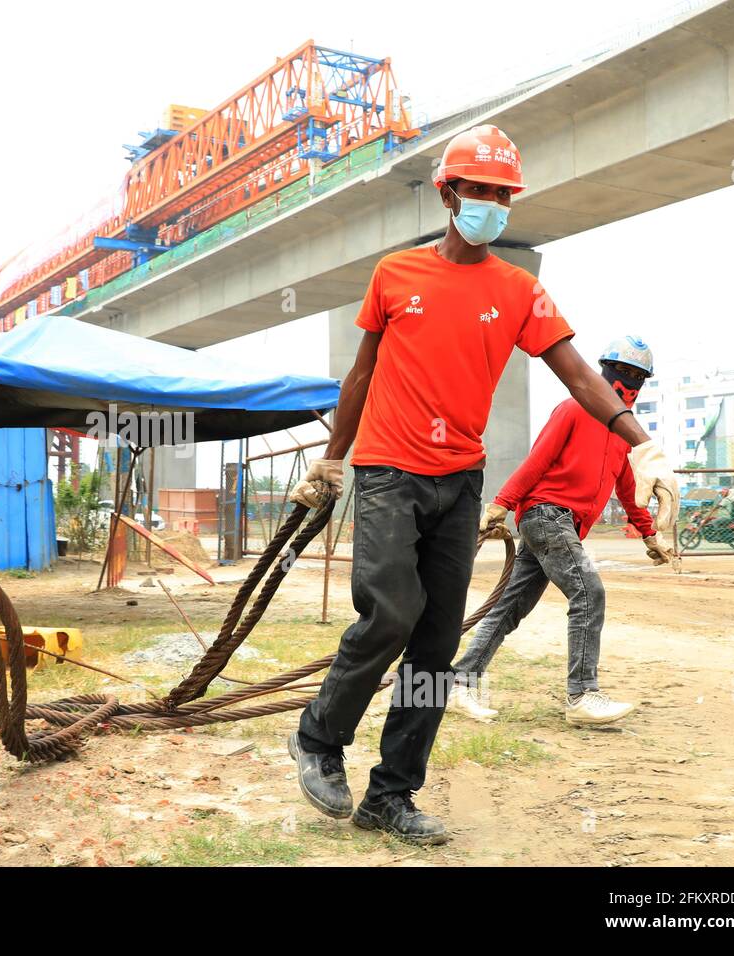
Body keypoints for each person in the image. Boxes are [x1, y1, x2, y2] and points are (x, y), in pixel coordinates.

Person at [284, 125, 680, 845]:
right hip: (386, 473)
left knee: (435, 644)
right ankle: (318, 739)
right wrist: (332, 459)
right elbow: (362, 374)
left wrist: (641, 441)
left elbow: (579, 375)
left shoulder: (519, 289)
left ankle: (392, 793)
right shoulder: (395, 276)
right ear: (447, 193)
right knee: (392, 613)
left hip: (459, 482)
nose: (493, 204)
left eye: (504, 194)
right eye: (481, 190)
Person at [448, 337, 677, 726]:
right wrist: (501, 504)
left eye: (639, 377)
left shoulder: (624, 432)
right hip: (546, 514)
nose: (629, 382)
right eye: (623, 372)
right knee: (589, 591)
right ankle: (583, 695)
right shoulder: (572, 409)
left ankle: (458, 686)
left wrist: (649, 534)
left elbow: (626, 487)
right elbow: (538, 461)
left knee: (508, 608)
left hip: (563, 525)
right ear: (603, 371)